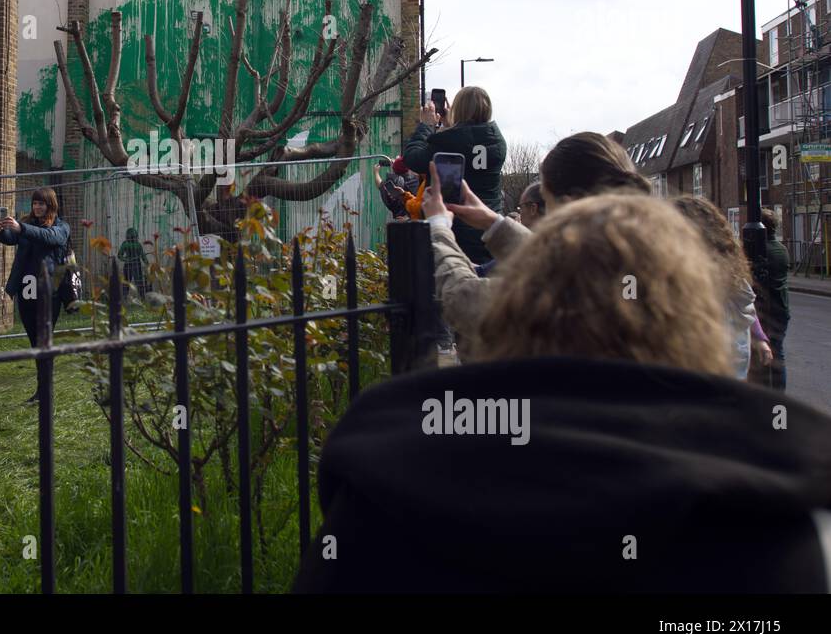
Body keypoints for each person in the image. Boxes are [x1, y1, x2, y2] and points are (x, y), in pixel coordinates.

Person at [296, 195, 831, 593]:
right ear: (698, 325)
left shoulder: (380, 505)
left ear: (513, 309)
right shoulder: (784, 533)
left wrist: (458, 226)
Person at [425, 132, 651, 358]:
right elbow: (549, 259)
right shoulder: (641, 252)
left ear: (567, 205)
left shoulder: (568, 286)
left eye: (547, 199)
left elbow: (464, 300)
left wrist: (439, 226)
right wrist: (493, 223)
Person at [670, 197, 773, 380]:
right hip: (731, 373)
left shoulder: (692, 275)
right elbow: (746, 306)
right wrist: (759, 337)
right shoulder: (731, 267)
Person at [401, 86, 507, 263]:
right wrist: (454, 128)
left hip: (456, 231)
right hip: (487, 228)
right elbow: (470, 144)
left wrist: (426, 127)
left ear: (458, 108)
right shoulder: (497, 141)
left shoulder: (448, 142)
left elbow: (413, 159)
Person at [0, 188, 71, 403]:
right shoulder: (27, 223)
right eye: (35, 203)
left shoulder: (61, 227)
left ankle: (45, 389)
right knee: (35, 341)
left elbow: (50, 237)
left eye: (41, 204)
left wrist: (22, 227)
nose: (37, 207)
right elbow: (10, 238)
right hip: (27, 288)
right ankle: (42, 389)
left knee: (44, 339)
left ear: (50, 205)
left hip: (49, 290)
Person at [753, 208, 791, 389]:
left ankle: (768, 398)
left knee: (763, 355)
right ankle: (778, 399)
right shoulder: (781, 249)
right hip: (782, 309)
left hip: (766, 310)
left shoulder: (759, 251)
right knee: (778, 353)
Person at [118, 228, 148, 298]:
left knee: (139, 282)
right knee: (127, 282)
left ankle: (142, 298)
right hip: (129, 265)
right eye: (132, 237)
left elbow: (143, 255)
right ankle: (124, 298)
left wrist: (147, 264)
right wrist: (127, 259)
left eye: (135, 237)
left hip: (137, 264)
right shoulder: (125, 244)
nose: (134, 238)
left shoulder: (138, 244)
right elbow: (119, 255)